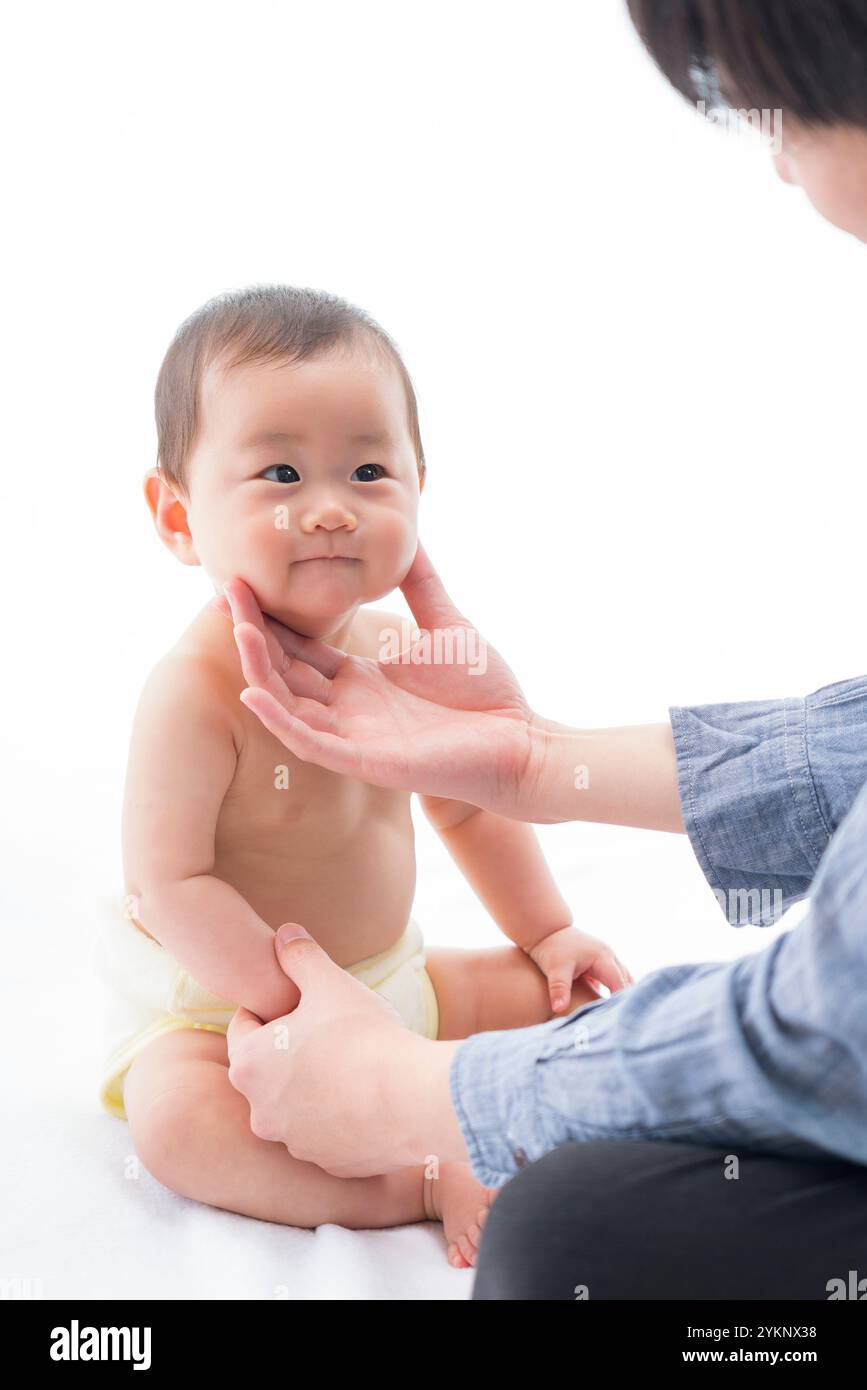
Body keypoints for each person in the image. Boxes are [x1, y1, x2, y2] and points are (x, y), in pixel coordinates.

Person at [218, 0, 867, 1298]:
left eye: (368, 468)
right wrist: (528, 757)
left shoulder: (385, 648)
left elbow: (829, 1023)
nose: (330, 505)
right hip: (261, 1006)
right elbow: (175, 876)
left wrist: (429, 1074)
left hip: (389, 991)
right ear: (176, 510)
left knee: (558, 1214)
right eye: (280, 470)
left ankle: (418, 1162)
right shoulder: (201, 691)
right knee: (194, 1112)